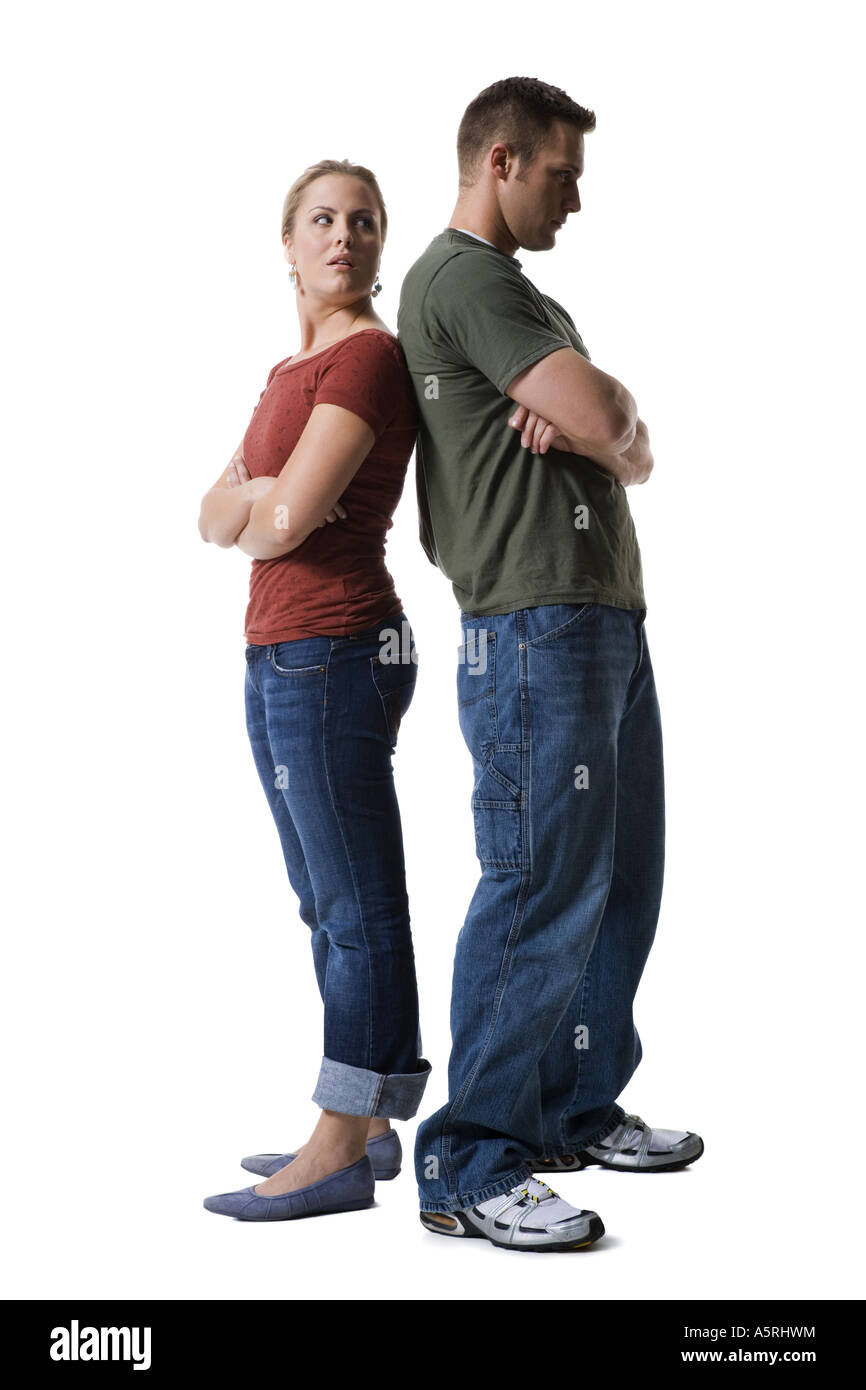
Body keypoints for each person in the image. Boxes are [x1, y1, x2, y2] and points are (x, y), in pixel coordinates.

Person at [396, 77, 703, 1252]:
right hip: (530, 622)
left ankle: (572, 1101)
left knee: (619, 873)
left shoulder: (526, 295)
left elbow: (638, 447)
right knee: (536, 882)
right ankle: (473, 1157)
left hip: (597, 616)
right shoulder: (464, 278)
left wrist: (608, 429)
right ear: (502, 160)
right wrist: (604, 415)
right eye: (562, 175)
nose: (575, 200)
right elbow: (607, 412)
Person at [197, 159, 430, 1222]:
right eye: (323, 218)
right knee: (322, 899)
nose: (345, 235)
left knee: (354, 902)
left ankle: (339, 1142)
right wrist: (258, 503)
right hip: (277, 649)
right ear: (286, 243)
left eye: (365, 221)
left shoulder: (370, 358)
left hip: (335, 647)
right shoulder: (289, 371)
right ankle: (370, 1116)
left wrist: (263, 505)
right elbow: (211, 512)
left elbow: (279, 521)